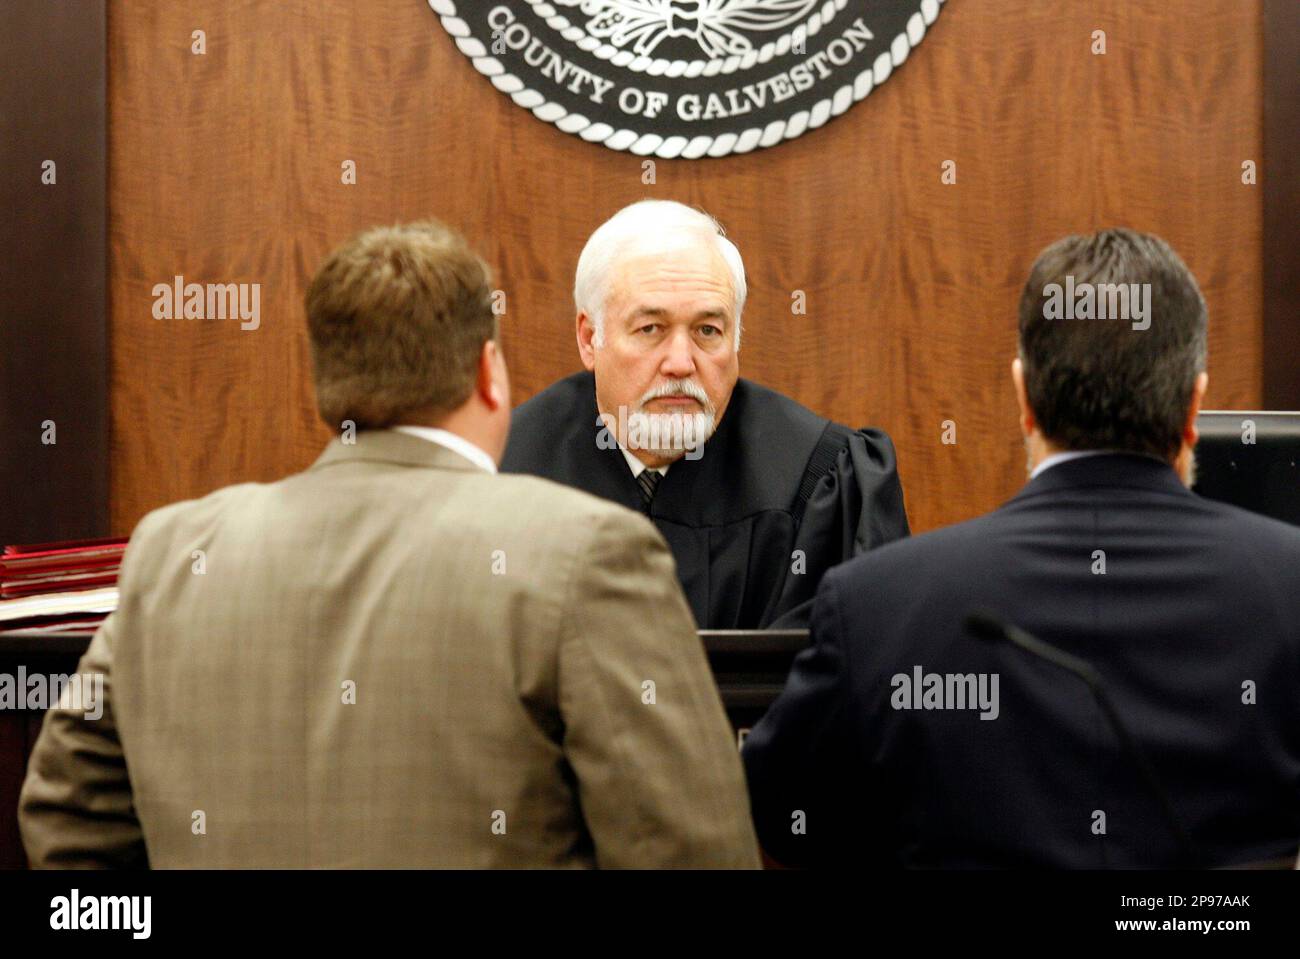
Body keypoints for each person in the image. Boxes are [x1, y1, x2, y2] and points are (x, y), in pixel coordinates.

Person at [19, 221, 760, 869]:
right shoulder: (588, 552)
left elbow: (65, 812)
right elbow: (689, 849)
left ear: (327, 387)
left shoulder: (173, 554)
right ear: (488, 372)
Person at [743, 228, 1300, 868]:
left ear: (1023, 398)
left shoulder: (875, 605)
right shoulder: (1288, 587)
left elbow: (785, 822)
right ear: (1194, 402)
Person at [501, 200, 909, 629]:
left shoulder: (820, 478)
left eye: (707, 331)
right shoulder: (504, 475)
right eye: (650, 329)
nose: (681, 362)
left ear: (735, 341)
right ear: (590, 339)